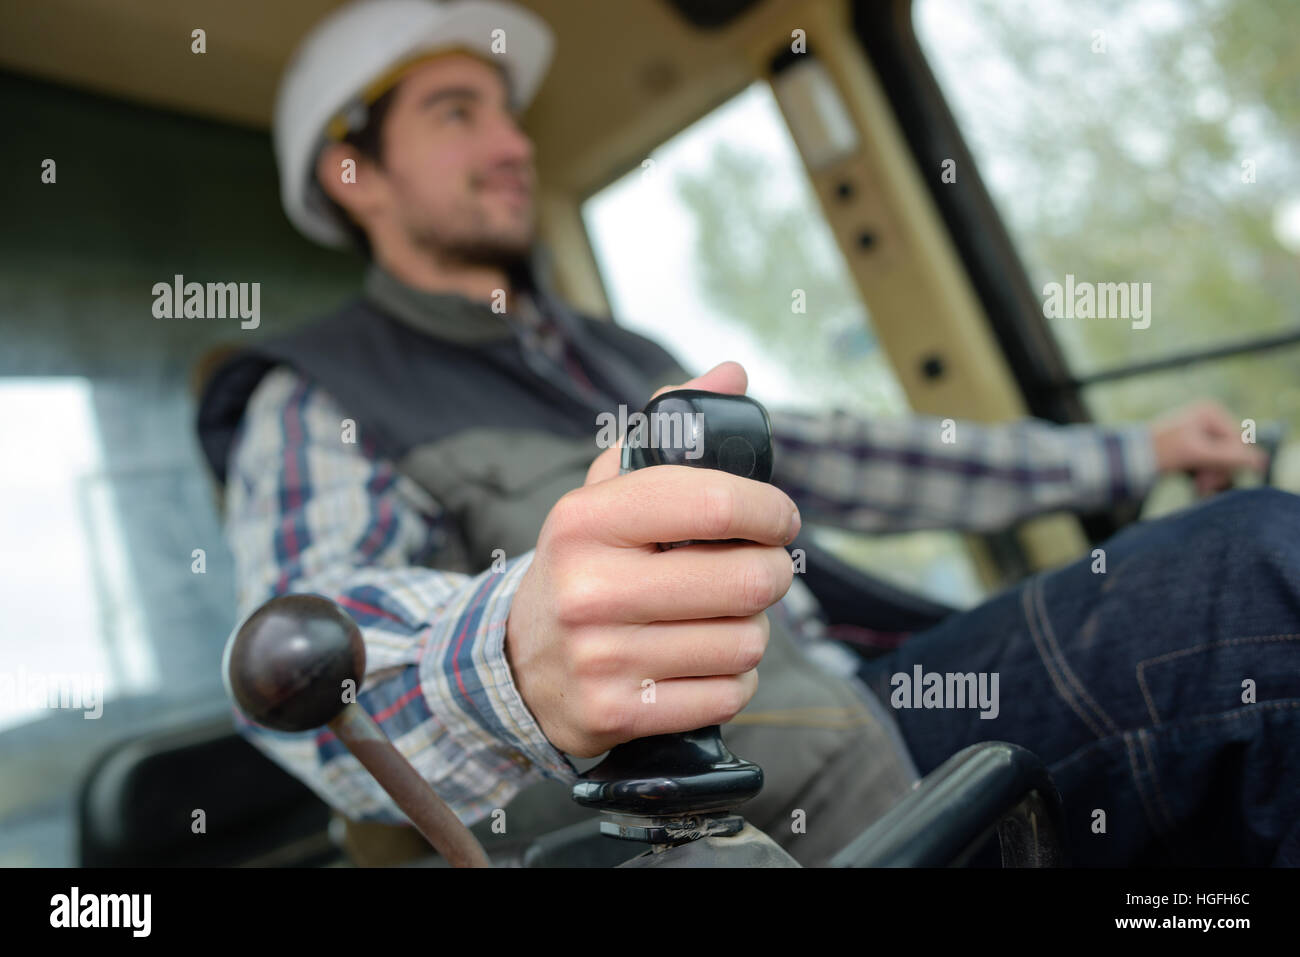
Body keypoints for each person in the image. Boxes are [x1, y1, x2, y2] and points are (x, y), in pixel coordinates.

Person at [197, 0, 1297, 866]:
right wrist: (513, 659)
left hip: (881, 694)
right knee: (1241, 582)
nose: (510, 144)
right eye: (455, 113)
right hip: (758, 806)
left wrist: (1133, 451)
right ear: (355, 173)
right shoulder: (315, 395)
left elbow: (861, 457)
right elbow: (309, 656)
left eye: (507, 112)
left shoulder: (620, 351)